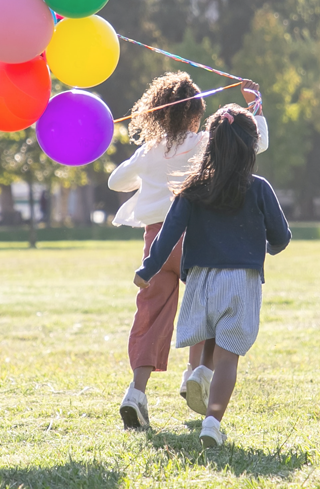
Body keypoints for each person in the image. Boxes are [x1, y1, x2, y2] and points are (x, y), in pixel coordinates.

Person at [109, 72, 268, 430]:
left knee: (150, 315)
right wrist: (255, 107)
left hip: (156, 244)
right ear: (197, 113)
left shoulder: (149, 152)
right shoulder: (204, 143)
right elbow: (255, 144)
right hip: (196, 239)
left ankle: (136, 392)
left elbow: (115, 181)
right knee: (206, 309)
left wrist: (148, 166)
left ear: (157, 115)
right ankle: (195, 374)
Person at [134, 104, 290, 448]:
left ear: (210, 144)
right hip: (241, 281)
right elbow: (281, 236)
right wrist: (265, 246)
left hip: (201, 280)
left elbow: (168, 234)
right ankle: (212, 422)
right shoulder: (259, 187)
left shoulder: (192, 188)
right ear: (251, 147)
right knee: (228, 357)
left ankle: (200, 373)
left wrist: (147, 269)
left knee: (208, 335)